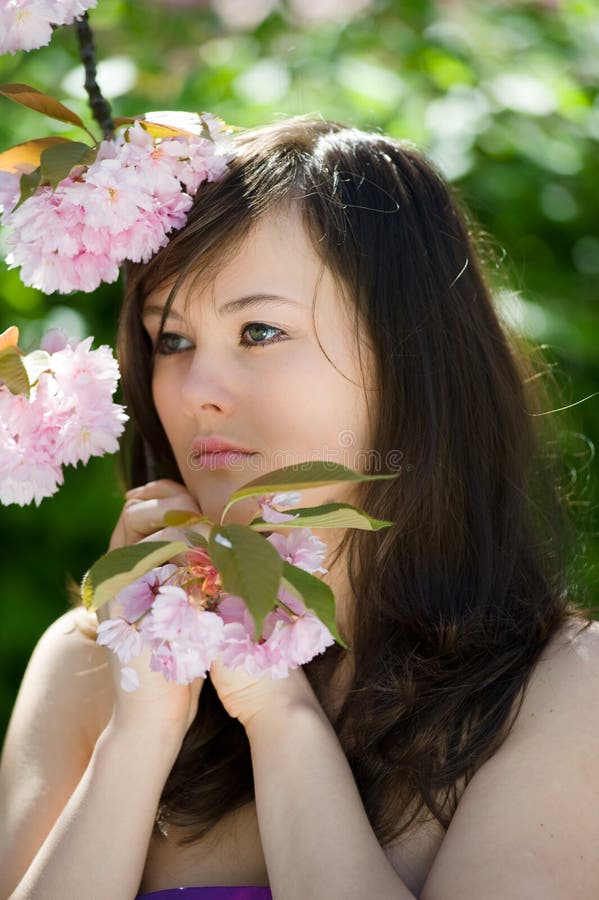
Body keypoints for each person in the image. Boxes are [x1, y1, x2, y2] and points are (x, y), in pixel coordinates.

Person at [1, 115, 598, 900]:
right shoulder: (90, 661)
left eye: (257, 330)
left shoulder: (557, 691)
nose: (195, 395)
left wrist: (280, 715)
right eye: (171, 341)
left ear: (409, 355)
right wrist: (137, 735)